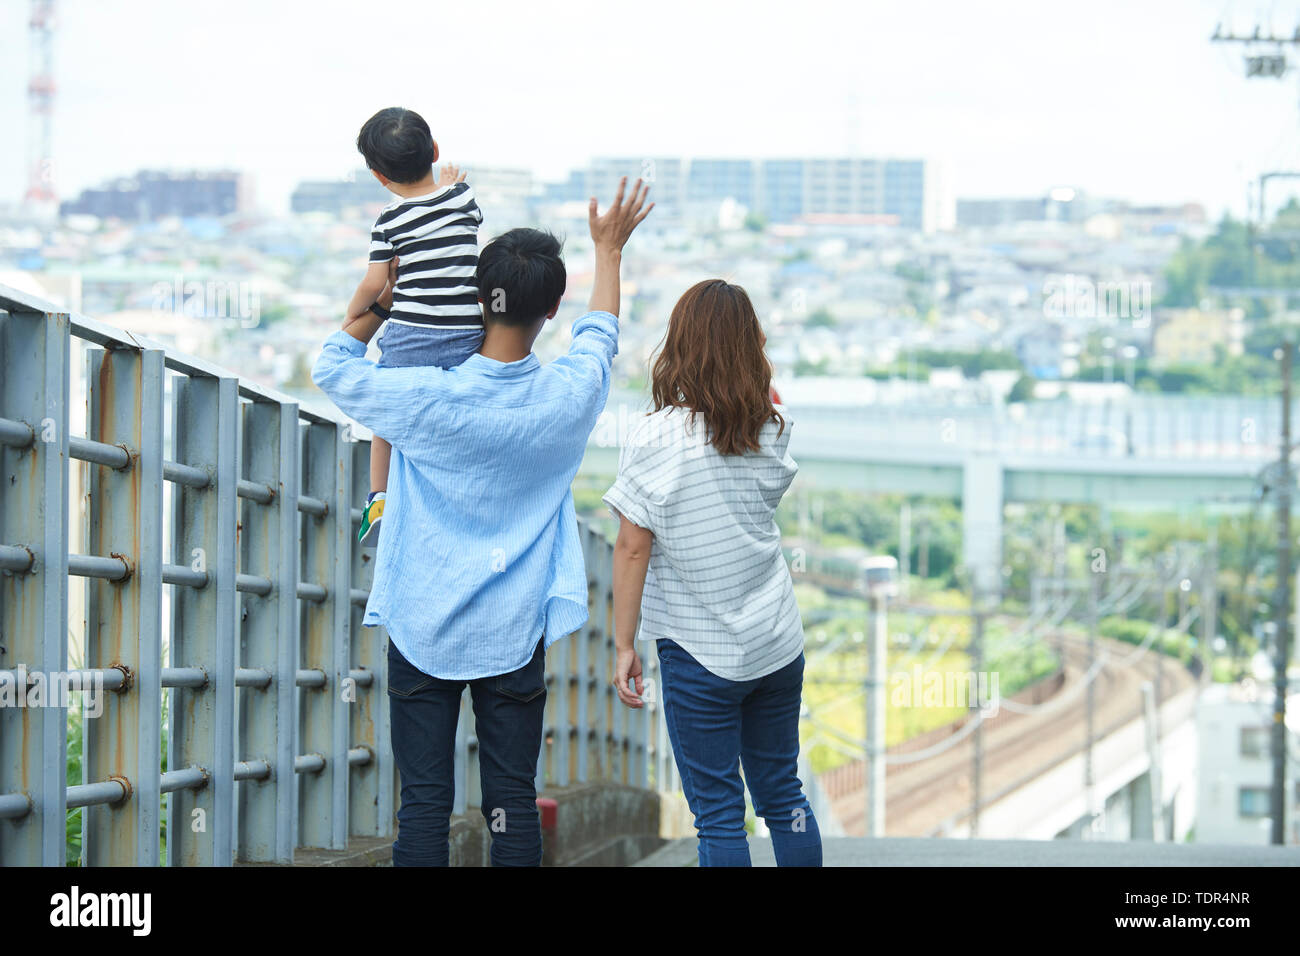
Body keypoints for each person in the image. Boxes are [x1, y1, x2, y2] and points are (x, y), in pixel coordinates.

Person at [312, 178, 653, 866]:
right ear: (550, 309)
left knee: (425, 805)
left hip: (421, 619)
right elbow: (601, 334)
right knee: (510, 799)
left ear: (478, 297)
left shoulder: (423, 399)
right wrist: (608, 249)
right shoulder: (569, 395)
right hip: (513, 628)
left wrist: (384, 301)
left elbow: (332, 365)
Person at [604, 279, 822, 867]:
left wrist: (624, 644)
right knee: (783, 795)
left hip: (698, 650)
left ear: (680, 344)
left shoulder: (656, 435)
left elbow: (630, 547)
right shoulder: (771, 429)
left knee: (720, 816)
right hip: (775, 642)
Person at [345, 106, 484, 546]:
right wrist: (450, 186)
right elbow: (455, 214)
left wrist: (352, 315)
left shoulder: (388, 221)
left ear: (378, 176)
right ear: (435, 151)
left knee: (386, 416)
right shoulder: (463, 199)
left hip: (411, 337)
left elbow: (376, 281)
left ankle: (379, 499)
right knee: (460, 411)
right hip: (465, 336)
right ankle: (460, 489)